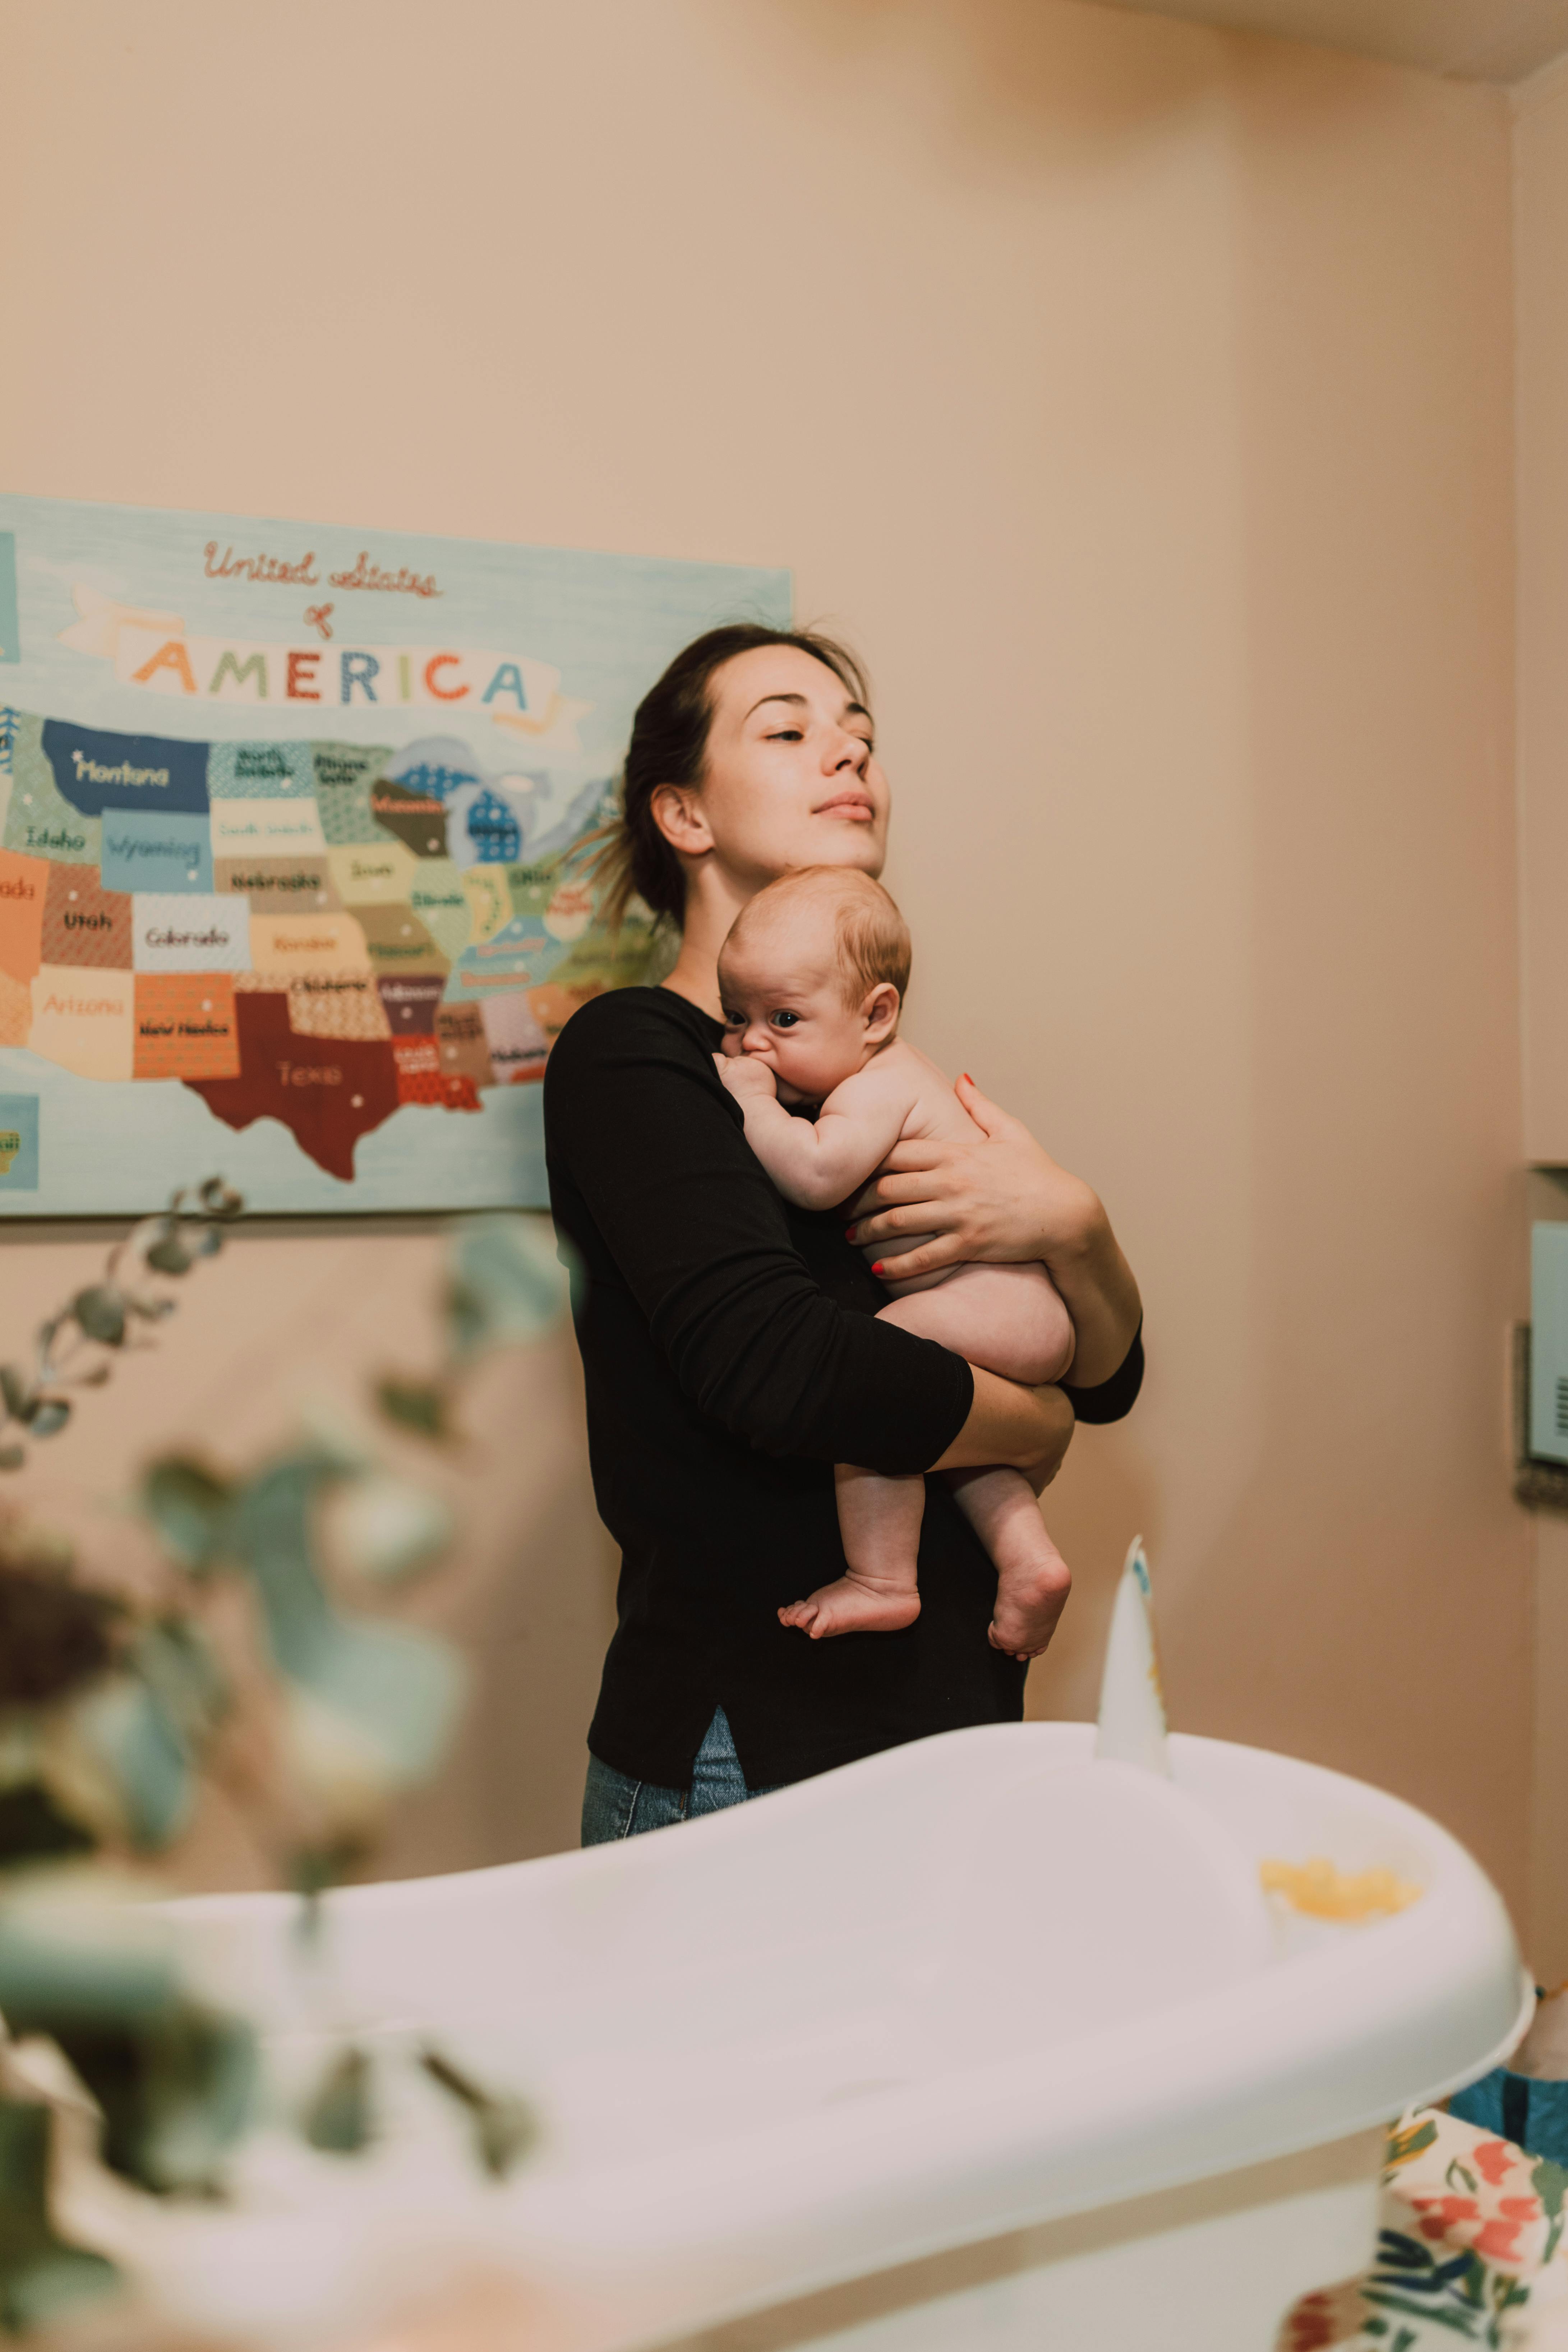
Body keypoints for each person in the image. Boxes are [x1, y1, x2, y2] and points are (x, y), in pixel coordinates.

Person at [543, 623, 1143, 1844]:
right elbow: (785, 1371)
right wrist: (1028, 1418)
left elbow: (1109, 1369)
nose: (847, 753)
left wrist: (1076, 1229)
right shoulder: (638, 1055)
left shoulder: (868, 1060)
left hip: (959, 1717)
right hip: (751, 1743)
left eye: (859, 735)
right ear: (684, 813)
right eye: (788, 727)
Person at [714, 864, 1074, 1660]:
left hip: (998, 1300)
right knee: (947, 1434)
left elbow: (813, 1175)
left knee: (871, 1386)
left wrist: (748, 1102)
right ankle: (1028, 1559)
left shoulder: (879, 1084)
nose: (750, 1041)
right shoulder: (875, 1071)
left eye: (783, 1018)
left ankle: (882, 1580)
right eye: (734, 1015)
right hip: (1011, 1311)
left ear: (875, 1015)